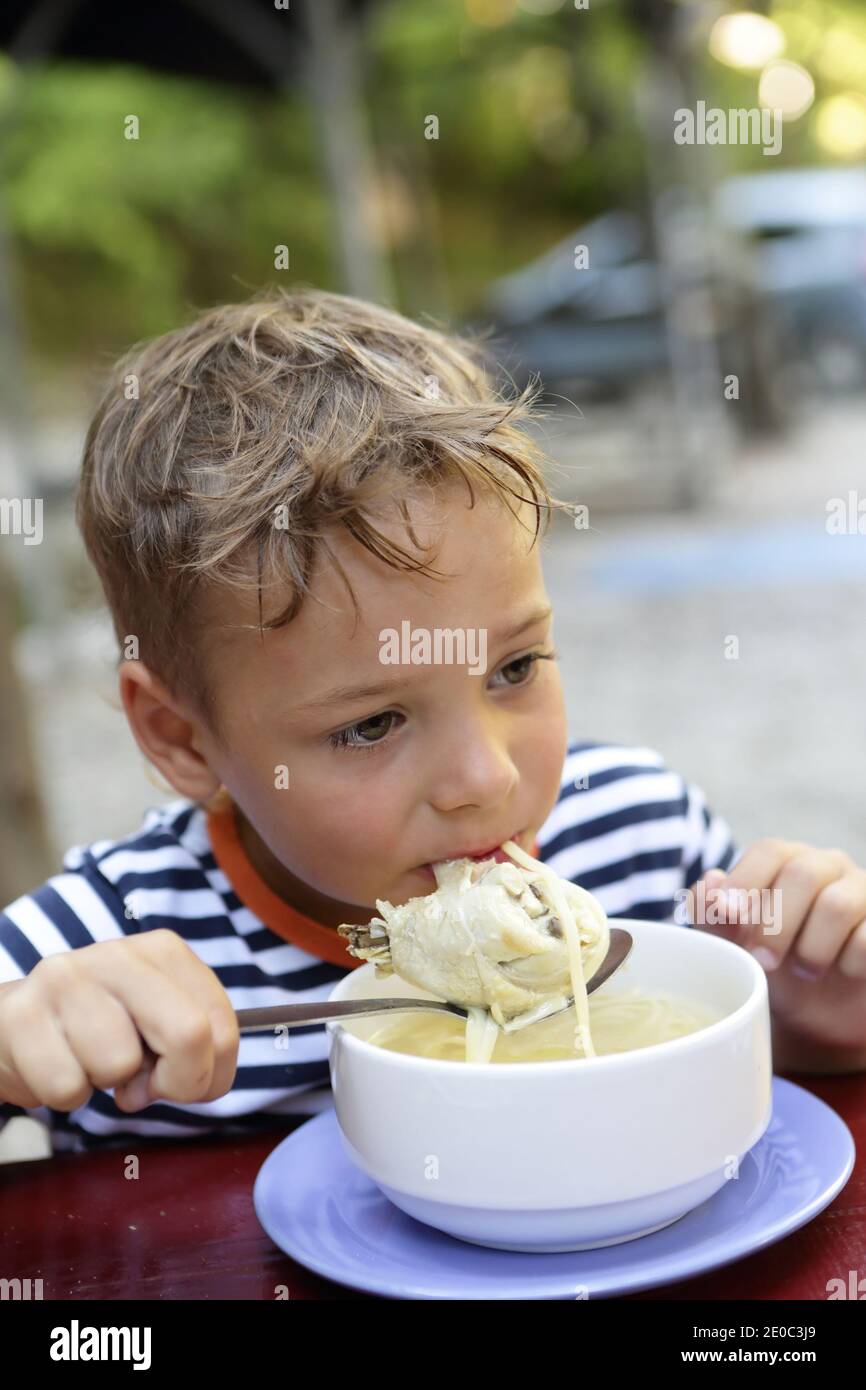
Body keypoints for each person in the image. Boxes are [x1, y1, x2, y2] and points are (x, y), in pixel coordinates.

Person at [1, 288, 864, 1156]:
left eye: (515, 669)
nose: (487, 780)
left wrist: (817, 1027)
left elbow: (744, 1072)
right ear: (182, 738)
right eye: (372, 725)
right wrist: (18, 1046)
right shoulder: (95, 942)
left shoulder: (643, 842)